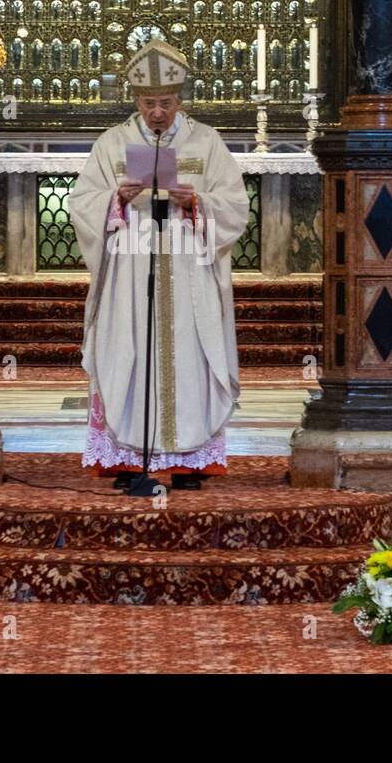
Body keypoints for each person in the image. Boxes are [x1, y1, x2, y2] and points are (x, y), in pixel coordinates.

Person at [68, 40, 249, 489]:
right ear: (136, 100)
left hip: (190, 265)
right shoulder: (112, 144)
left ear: (179, 100)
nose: (157, 112)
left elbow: (236, 205)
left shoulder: (207, 142)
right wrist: (115, 199)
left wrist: (198, 202)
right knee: (131, 350)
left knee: (190, 354)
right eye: (149, 103)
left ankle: (191, 462)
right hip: (131, 268)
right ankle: (132, 462)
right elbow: (80, 203)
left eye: (165, 103)